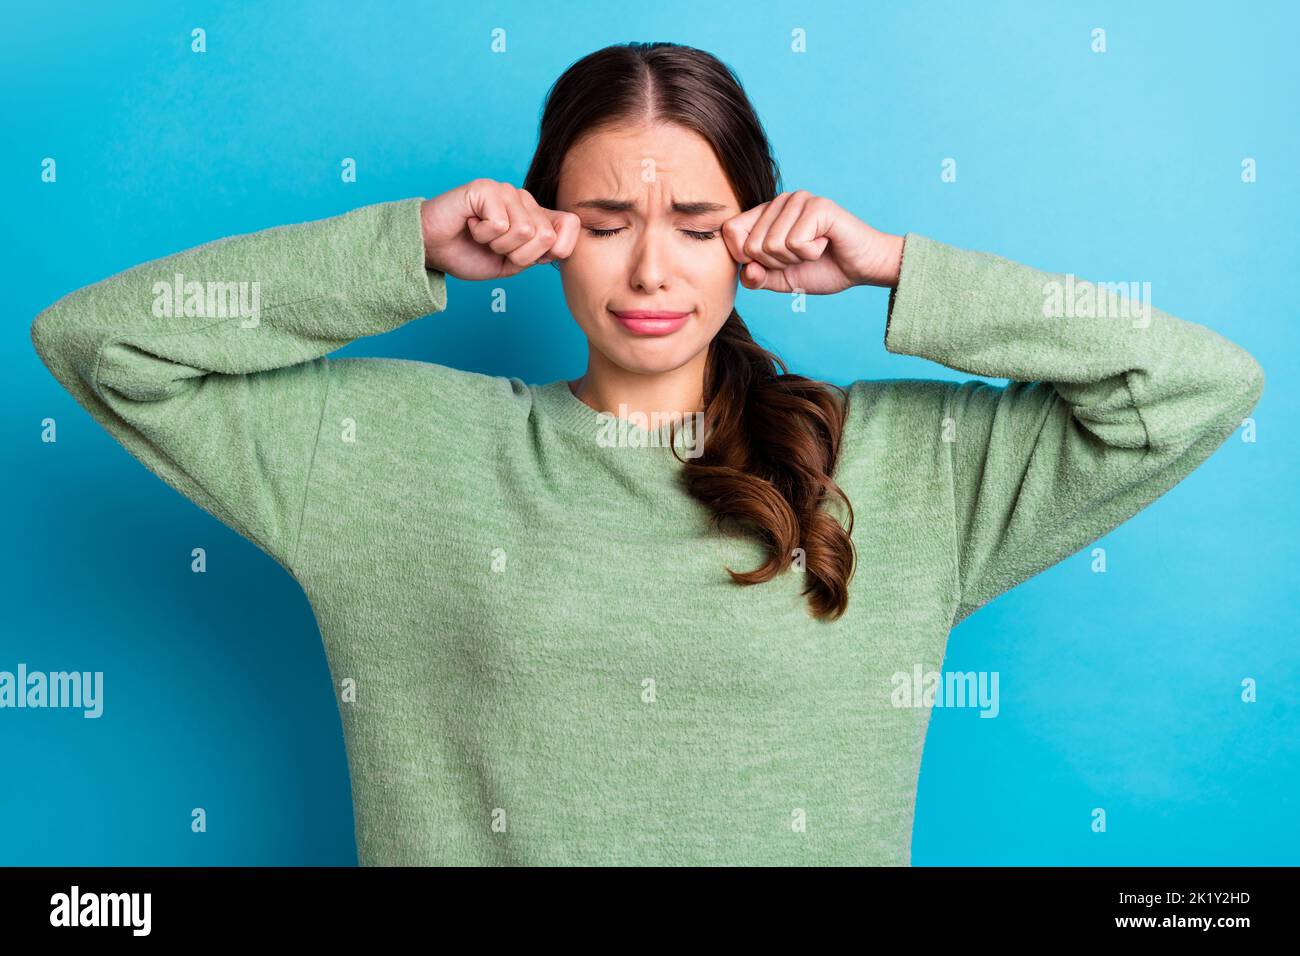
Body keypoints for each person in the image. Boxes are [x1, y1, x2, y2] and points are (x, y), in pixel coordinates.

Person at [30, 42, 1264, 866]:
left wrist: (896, 265)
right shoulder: (389, 452)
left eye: (697, 223)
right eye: (607, 223)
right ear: (545, 230)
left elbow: (1198, 383)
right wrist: (399, 245)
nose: (652, 269)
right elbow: (102, 341)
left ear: (760, 233)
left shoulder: (895, 461)